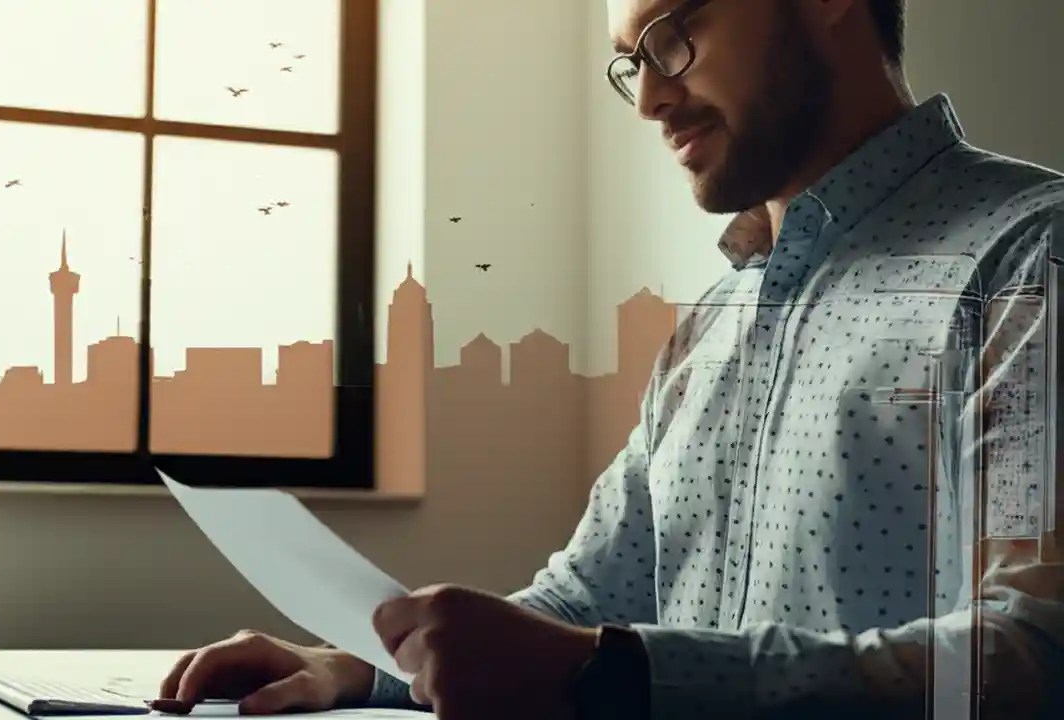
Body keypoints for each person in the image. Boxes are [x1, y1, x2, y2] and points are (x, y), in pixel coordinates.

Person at [157, 0, 1064, 717]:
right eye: (631, 63)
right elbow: (588, 596)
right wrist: (359, 669)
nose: (649, 100)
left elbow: (1033, 656)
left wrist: (616, 676)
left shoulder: (1032, 260)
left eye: (673, 37)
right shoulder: (711, 325)